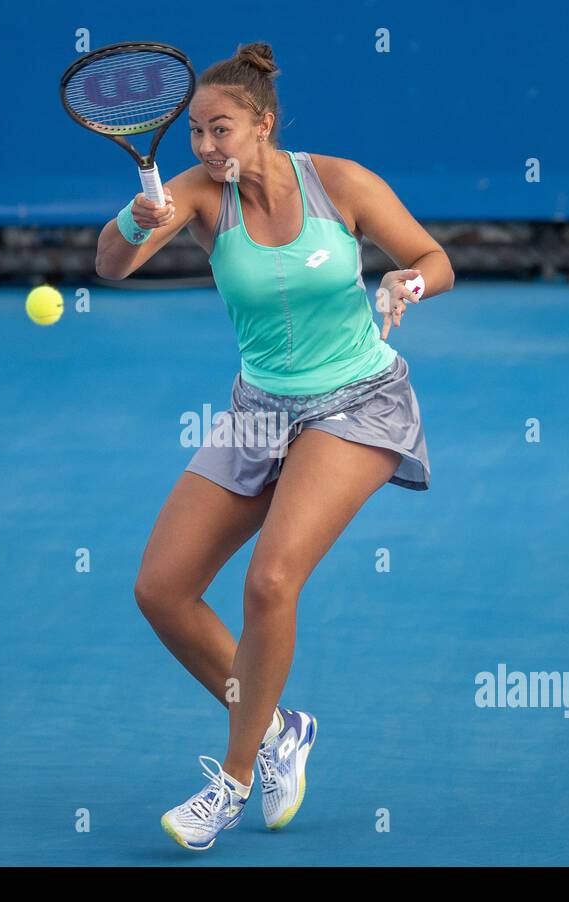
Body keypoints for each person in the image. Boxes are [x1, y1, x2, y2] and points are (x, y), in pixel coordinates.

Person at [95, 40, 454, 851]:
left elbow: (434, 259)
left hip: (358, 403)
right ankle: (278, 726)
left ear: (263, 124)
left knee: (271, 580)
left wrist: (408, 282)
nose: (205, 148)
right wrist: (132, 219)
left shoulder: (344, 182)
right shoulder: (192, 196)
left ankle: (231, 781)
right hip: (260, 408)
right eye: (194, 133)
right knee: (162, 589)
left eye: (220, 130)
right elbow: (111, 266)